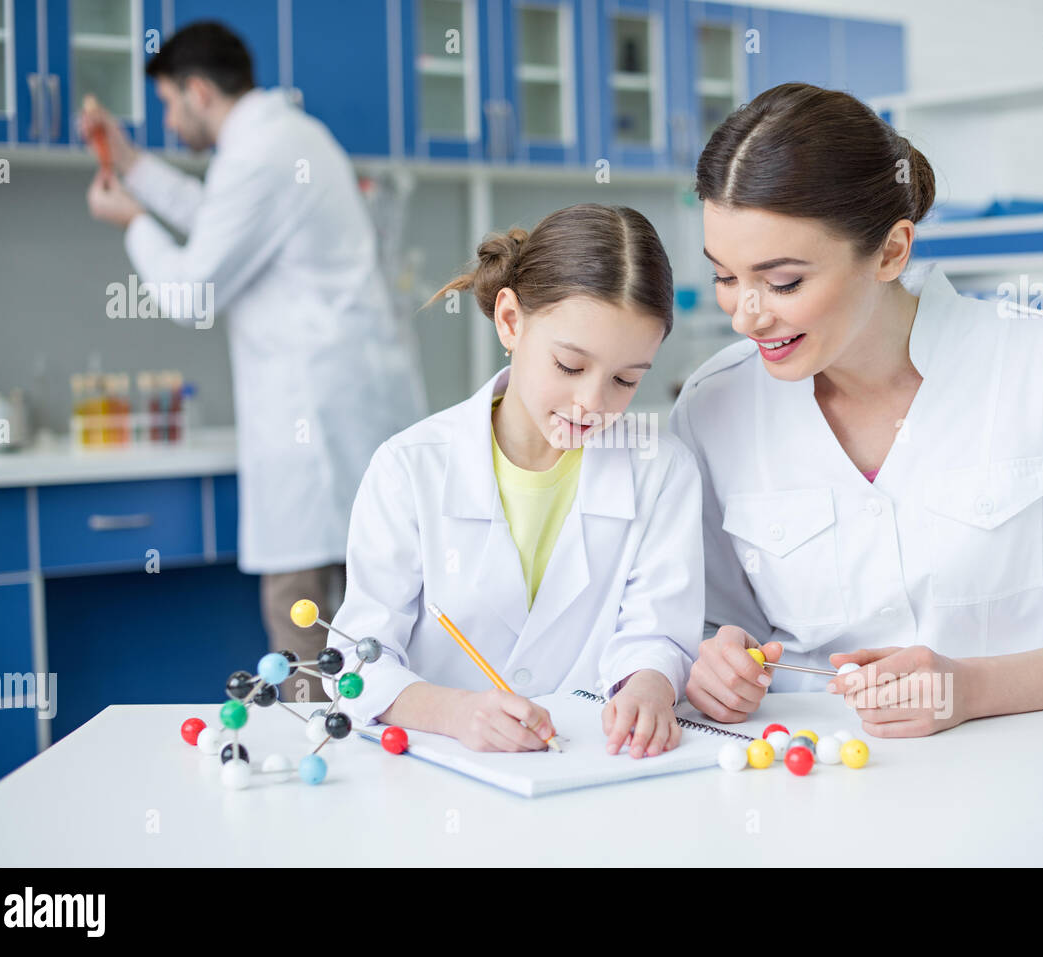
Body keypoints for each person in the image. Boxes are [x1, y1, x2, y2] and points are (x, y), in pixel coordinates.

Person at [670, 83, 1043, 736]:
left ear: (892, 251)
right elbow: (694, 626)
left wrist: (973, 689)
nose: (745, 314)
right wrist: (709, 661)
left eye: (783, 282)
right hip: (799, 777)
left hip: (1010, 775)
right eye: (726, 276)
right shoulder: (710, 406)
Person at [82, 22, 426, 701]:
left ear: (199, 91)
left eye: (169, 105)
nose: (170, 120)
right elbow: (220, 216)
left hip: (314, 421)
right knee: (363, 627)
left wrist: (133, 223)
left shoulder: (259, 155)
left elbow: (193, 289)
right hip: (344, 408)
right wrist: (134, 166)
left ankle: (314, 761)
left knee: (301, 624)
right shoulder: (291, 138)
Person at [321, 204, 703, 758]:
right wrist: (454, 713)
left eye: (625, 380)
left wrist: (647, 685)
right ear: (510, 321)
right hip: (439, 772)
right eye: (570, 366)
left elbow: (656, 632)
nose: (591, 404)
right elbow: (356, 662)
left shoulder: (662, 471)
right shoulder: (409, 468)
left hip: (592, 770)